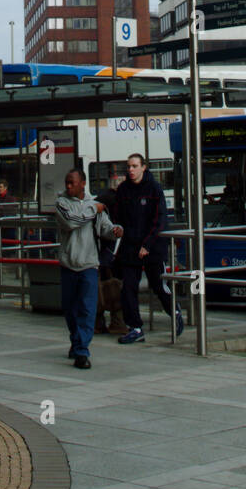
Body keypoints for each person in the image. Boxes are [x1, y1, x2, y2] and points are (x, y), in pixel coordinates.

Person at [113, 153, 184, 344]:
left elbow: (159, 219)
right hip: (130, 246)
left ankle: (175, 312)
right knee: (128, 287)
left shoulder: (154, 188)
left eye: (135, 166)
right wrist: (117, 227)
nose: (131, 170)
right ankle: (135, 328)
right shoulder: (123, 190)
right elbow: (118, 216)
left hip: (152, 246)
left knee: (158, 284)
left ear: (144, 167)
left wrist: (148, 244)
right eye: (129, 166)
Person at [55, 169, 122, 369]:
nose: (68, 186)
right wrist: (95, 209)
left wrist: (115, 230)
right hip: (68, 265)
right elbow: (71, 221)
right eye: (67, 182)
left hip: (89, 266)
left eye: (72, 183)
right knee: (70, 310)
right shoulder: (61, 203)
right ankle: (76, 341)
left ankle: (82, 350)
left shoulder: (95, 206)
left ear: (82, 183)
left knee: (87, 308)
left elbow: (105, 228)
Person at [94, 169, 126, 335]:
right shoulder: (120, 199)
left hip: (104, 249)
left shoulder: (102, 199)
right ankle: (117, 321)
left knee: (101, 284)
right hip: (114, 248)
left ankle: (99, 323)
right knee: (115, 283)